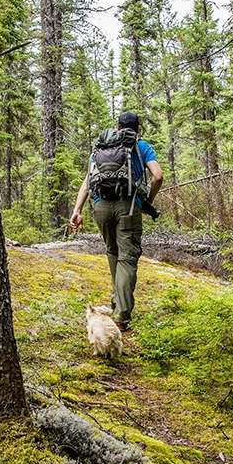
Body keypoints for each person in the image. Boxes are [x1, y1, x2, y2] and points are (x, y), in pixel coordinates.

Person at [68, 111, 164, 330]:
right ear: (137, 128)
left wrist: (77, 210)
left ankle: (117, 301)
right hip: (128, 207)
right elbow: (158, 176)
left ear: (117, 126)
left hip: (100, 206)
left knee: (113, 251)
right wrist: (147, 201)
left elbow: (87, 181)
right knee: (128, 258)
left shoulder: (101, 148)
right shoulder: (141, 146)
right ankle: (121, 316)